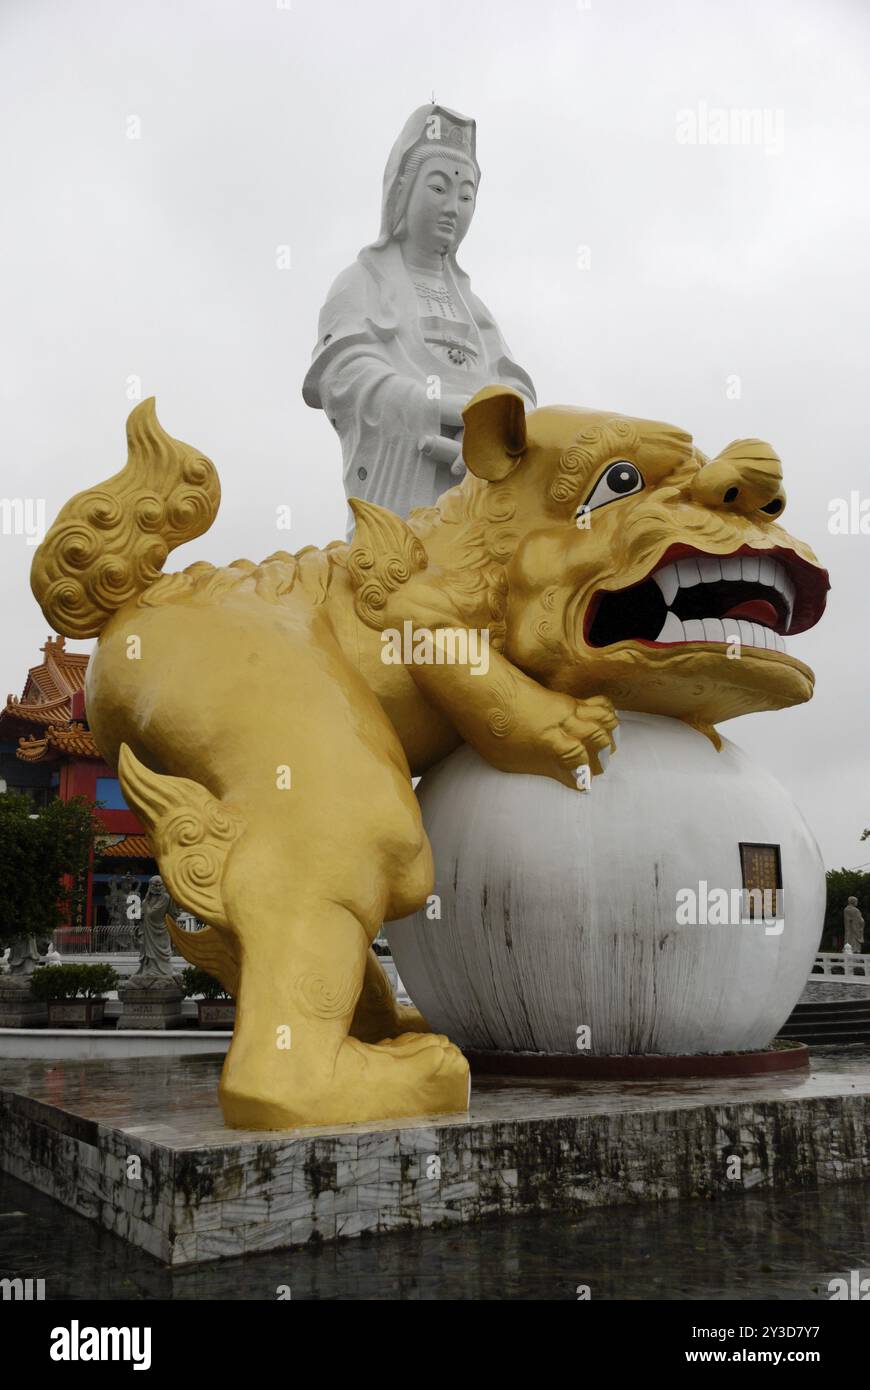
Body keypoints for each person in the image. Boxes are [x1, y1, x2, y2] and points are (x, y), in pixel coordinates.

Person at [303, 104, 536, 532]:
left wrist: (496, 433)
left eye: (466, 197)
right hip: (405, 491)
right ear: (402, 192)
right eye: (438, 189)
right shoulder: (362, 282)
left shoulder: (476, 309)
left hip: (484, 496)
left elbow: (516, 387)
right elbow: (343, 377)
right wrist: (438, 412)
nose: (453, 208)